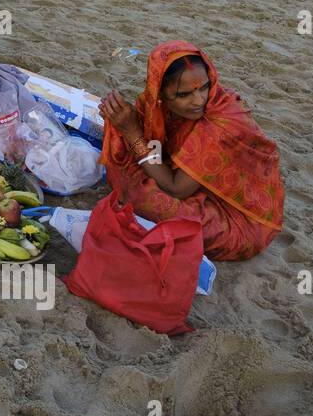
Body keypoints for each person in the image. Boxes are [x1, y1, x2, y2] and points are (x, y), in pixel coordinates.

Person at [100, 42, 283, 261]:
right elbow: (151, 136)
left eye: (204, 87)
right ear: (160, 93)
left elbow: (176, 189)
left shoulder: (219, 123)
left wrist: (132, 134)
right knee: (124, 150)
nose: (199, 101)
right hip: (194, 184)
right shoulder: (156, 105)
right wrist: (128, 128)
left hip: (242, 222)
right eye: (184, 94)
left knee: (145, 196)